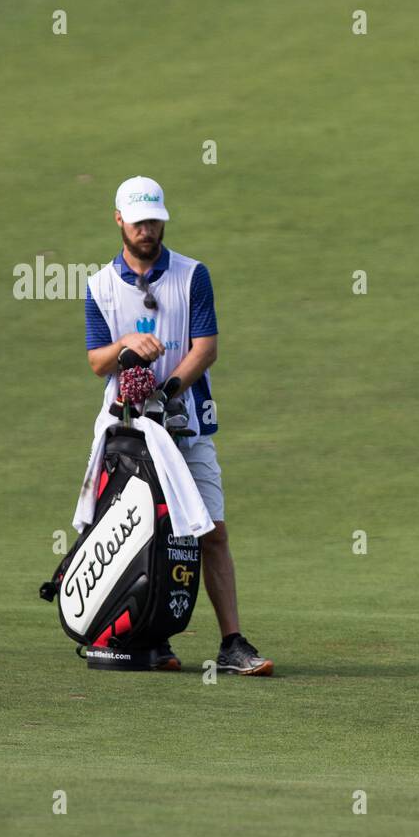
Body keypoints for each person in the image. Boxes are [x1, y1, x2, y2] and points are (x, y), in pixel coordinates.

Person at [84, 176, 273, 675]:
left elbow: (205, 348)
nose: (149, 229)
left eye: (155, 219)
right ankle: (143, 637)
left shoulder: (193, 276)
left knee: (210, 530)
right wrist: (125, 346)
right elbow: (98, 362)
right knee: (134, 535)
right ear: (119, 220)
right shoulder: (99, 286)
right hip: (125, 433)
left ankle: (232, 643)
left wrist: (168, 393)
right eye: (139, 220)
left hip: (184, 426)